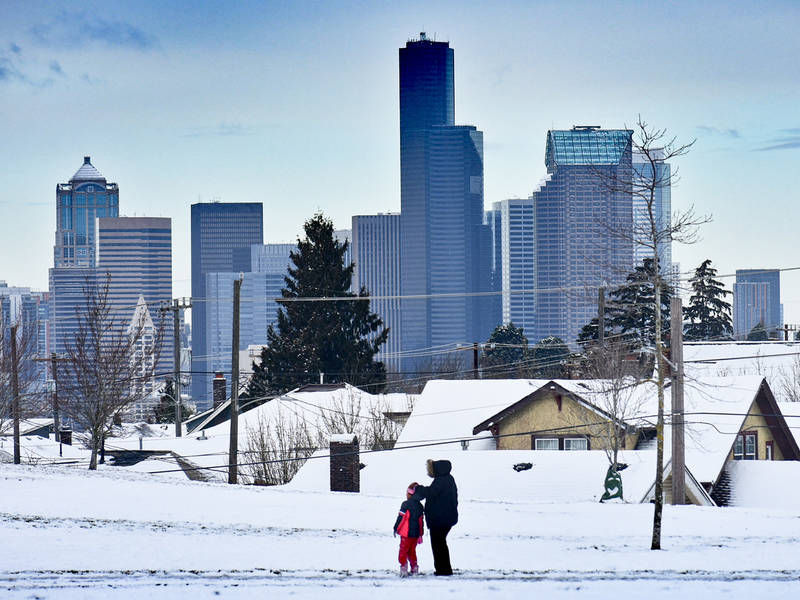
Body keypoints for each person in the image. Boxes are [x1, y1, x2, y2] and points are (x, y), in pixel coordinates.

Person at [415, 459, 458, 576]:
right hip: (445, 518)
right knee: (441, 544)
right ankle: (444, 569)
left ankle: (443, 570)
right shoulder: (448, 479)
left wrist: (418, 489)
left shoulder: (441, 480)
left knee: (438, 545)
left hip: (440, 520)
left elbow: (431, 492)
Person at [393, 482, 425, 577]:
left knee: (403, 551)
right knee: (412, 551)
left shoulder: (405, 504)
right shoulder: (420, 506)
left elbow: (400, 517)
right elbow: (421, 521)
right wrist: (420, 533)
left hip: (406, 534)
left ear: (410, 494)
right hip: (415, 534)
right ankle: (414, 568)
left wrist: (395, 527)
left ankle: (403, 568)